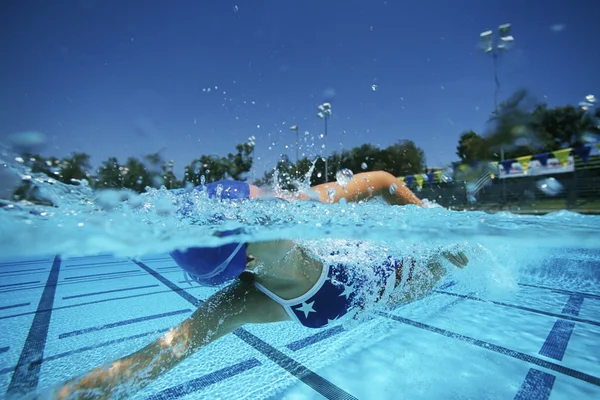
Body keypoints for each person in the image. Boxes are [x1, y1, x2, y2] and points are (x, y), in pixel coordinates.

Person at [50, 171, 468, 399]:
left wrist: (435, 225)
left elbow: (379, 180)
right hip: (408, 287)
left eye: (264, 195)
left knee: (467, 250)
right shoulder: (245, 302)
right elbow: (157, 356)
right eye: (262, 209)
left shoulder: (299, 207)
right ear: (247, 258)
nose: (277, 202)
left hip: (417, 251)